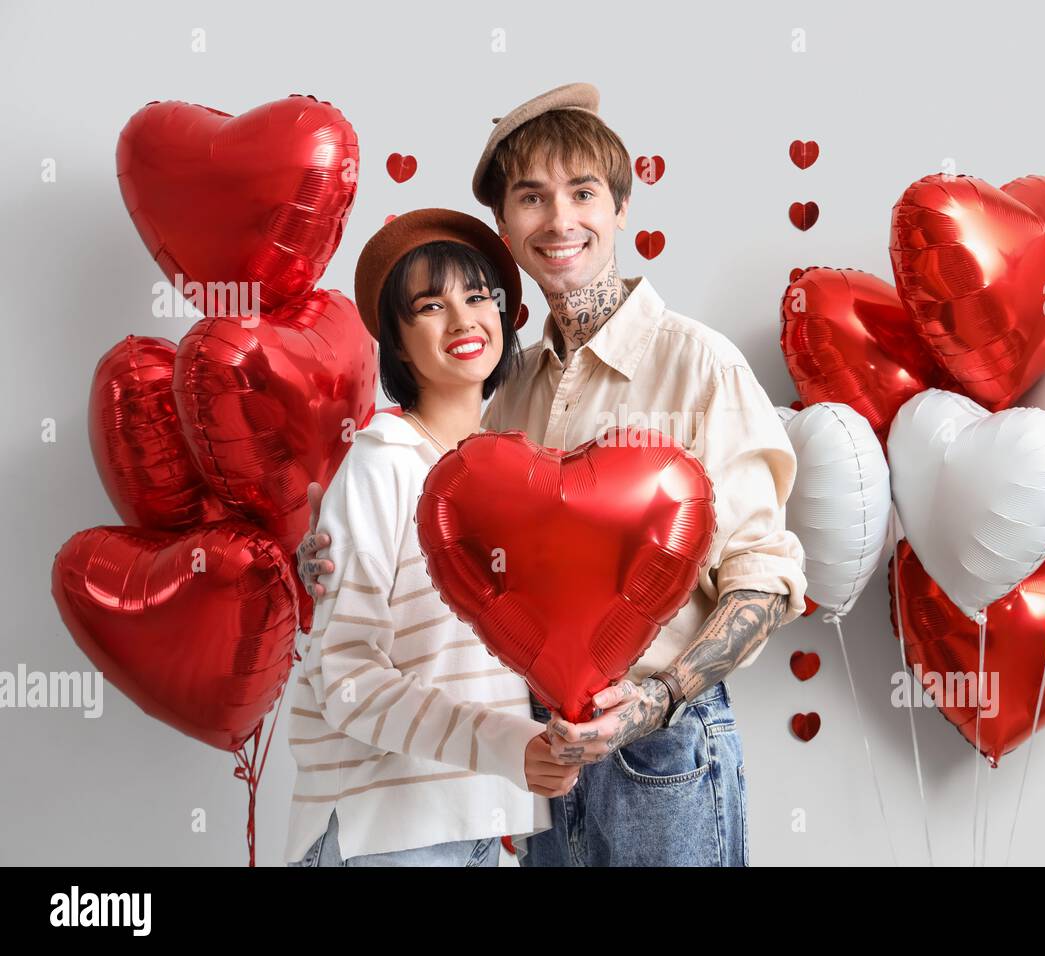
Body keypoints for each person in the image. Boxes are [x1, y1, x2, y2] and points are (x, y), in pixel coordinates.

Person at [298, 83, 807, 867]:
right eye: (532, 198)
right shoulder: (508, 393)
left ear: (621, 207)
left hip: (662, 748)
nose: (560, 220)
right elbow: (441, 540)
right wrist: (326, 558)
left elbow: (763, 583)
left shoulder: (699, 365)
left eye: (582, 193)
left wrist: (655, 701)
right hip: (536, 757)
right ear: (507, 227)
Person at [284, 209, 577, 867]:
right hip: (387, 831)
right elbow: (347, 677)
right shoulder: (381, 462)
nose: (463, 318)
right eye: (429, 305)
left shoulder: (509, 474)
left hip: (477, 825)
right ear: (396, 340)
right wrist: (508, 745)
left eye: (477, 297)